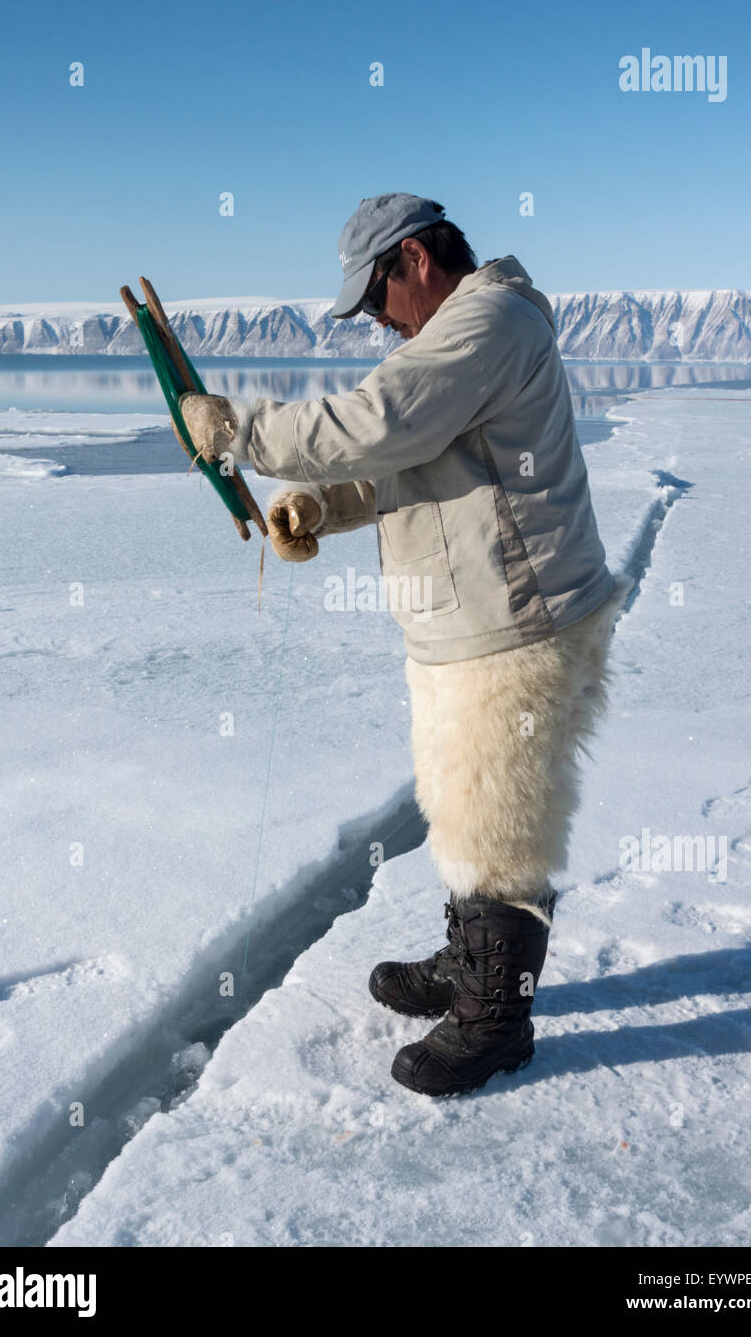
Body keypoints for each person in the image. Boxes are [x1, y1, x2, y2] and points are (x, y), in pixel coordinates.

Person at [179, 192, 631, 1097]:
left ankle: (496, 1017)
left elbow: (380, 423)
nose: (377, 322)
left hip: (513, 618)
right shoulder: (457, 338)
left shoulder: (487, 322)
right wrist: (325, 504)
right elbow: (413, 463)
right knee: (466, 800)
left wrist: (242, 433)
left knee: (501, 824)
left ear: (415, 261)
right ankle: (474, 964)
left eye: (376, 299)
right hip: (471, 616)